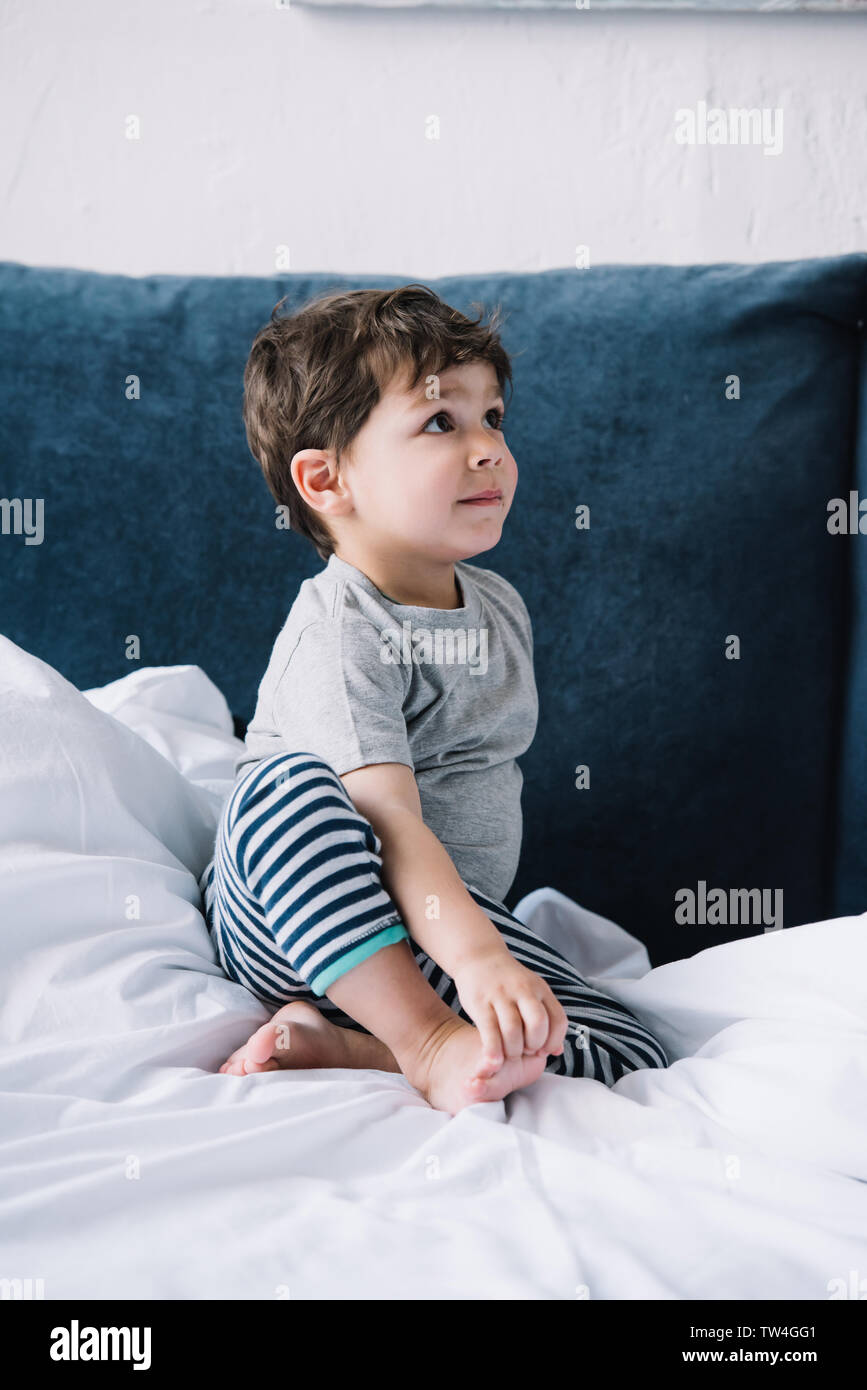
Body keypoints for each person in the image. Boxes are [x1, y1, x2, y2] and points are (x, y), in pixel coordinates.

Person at [200, 283, 668, 1114]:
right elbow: (389, 823)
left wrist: (482, 951)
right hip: (301, 912)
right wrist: (481, 960)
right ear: (326, 478)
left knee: (630, 1052)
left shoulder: (498, 607)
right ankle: (425, 1040)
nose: (487, 448)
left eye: (494, 418)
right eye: (439, 423)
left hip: (440, 929)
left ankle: (359, 1049)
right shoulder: (341, 630)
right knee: (287, 795)